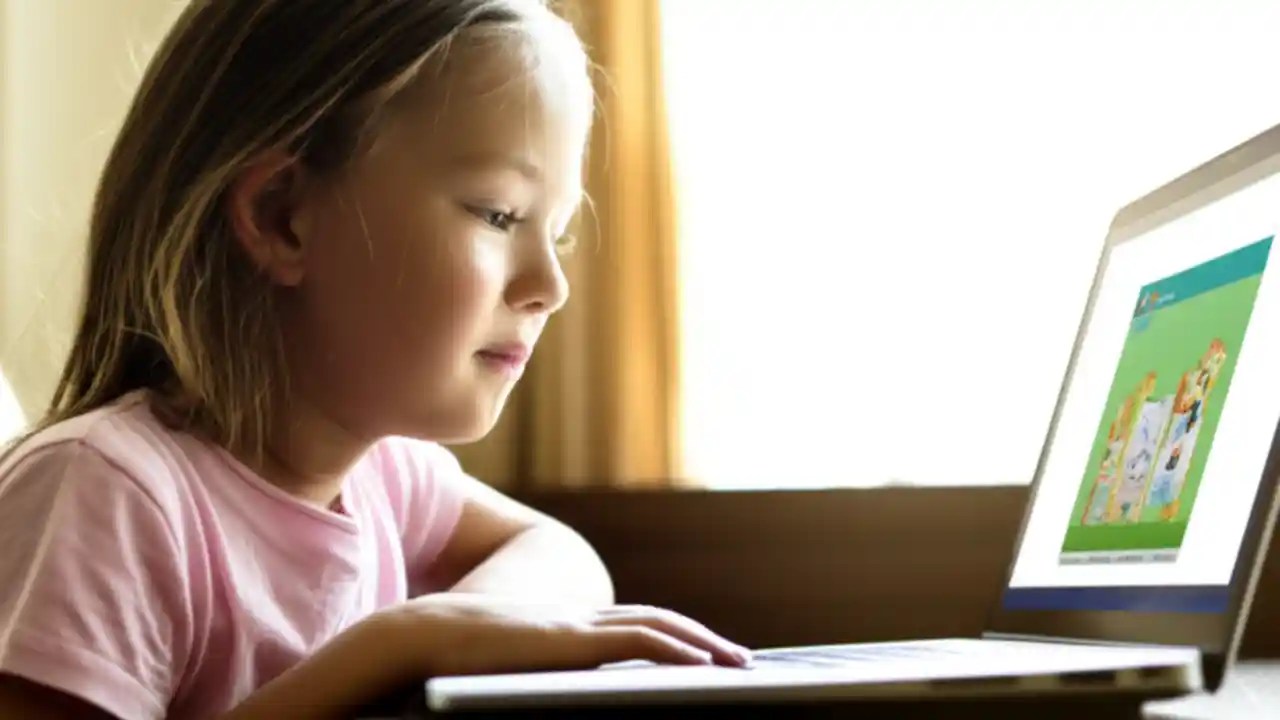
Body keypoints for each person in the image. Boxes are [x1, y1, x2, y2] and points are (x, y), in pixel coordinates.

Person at [0, 1, 750, 718]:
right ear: (281, 217)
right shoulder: (107, 494)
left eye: (555, 235)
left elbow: (562, 554)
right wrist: (396, 648)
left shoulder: (386, 478)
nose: (549, 288)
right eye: (499, 215)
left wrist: (444, 628)